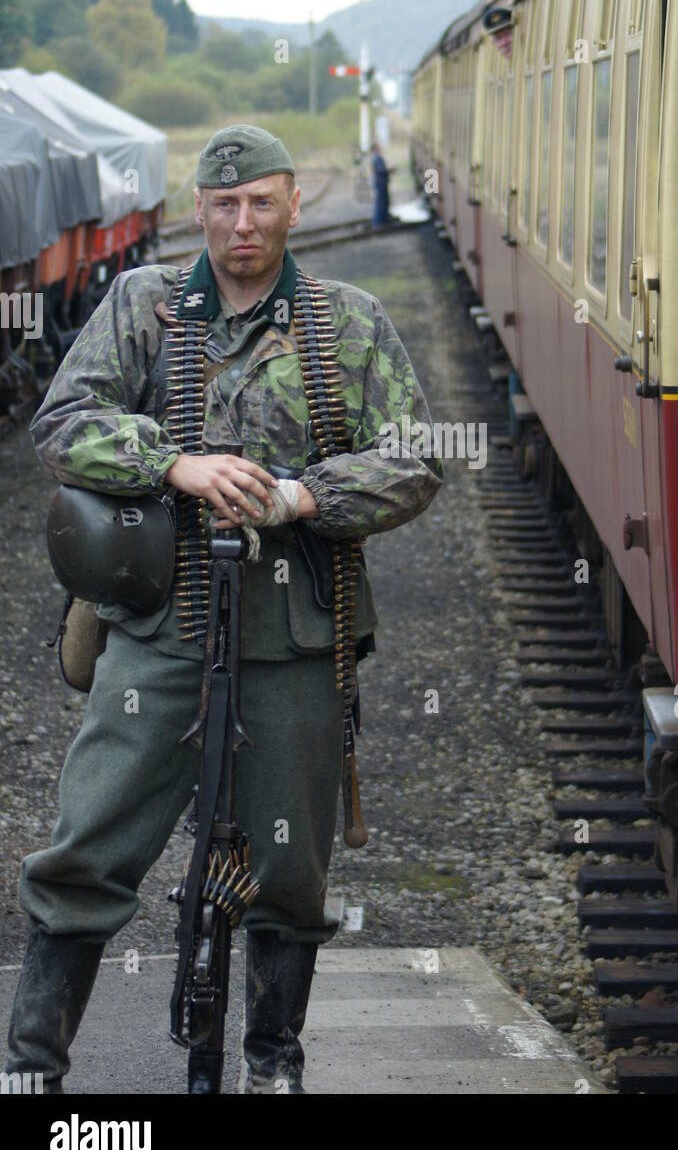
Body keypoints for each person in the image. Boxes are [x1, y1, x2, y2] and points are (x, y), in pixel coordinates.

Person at [4, 123, 443, 1094]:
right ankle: (33, 1064)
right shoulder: (143, 304)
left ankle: (271, 1059)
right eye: (222, 203)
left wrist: (299, 497)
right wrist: (172, 462)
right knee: (90, 840)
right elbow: (63, 423)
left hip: (296, 637)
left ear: (293, 204)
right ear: (197, 208)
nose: (241, 223)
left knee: (289, 869)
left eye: (261, 203)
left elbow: (417, 457)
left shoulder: (349, 322)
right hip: (161, 626)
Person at [370, 142, 393, 226]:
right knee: (382, 202)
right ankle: (380, 221)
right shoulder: (377, 158)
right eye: (378, 147)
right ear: (375, 148)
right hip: (381, 183)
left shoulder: (374, 157)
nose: (380, 148)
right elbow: (381, 171)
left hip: (380, 182)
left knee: (382, 201)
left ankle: (382, 220)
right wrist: (390, 170)